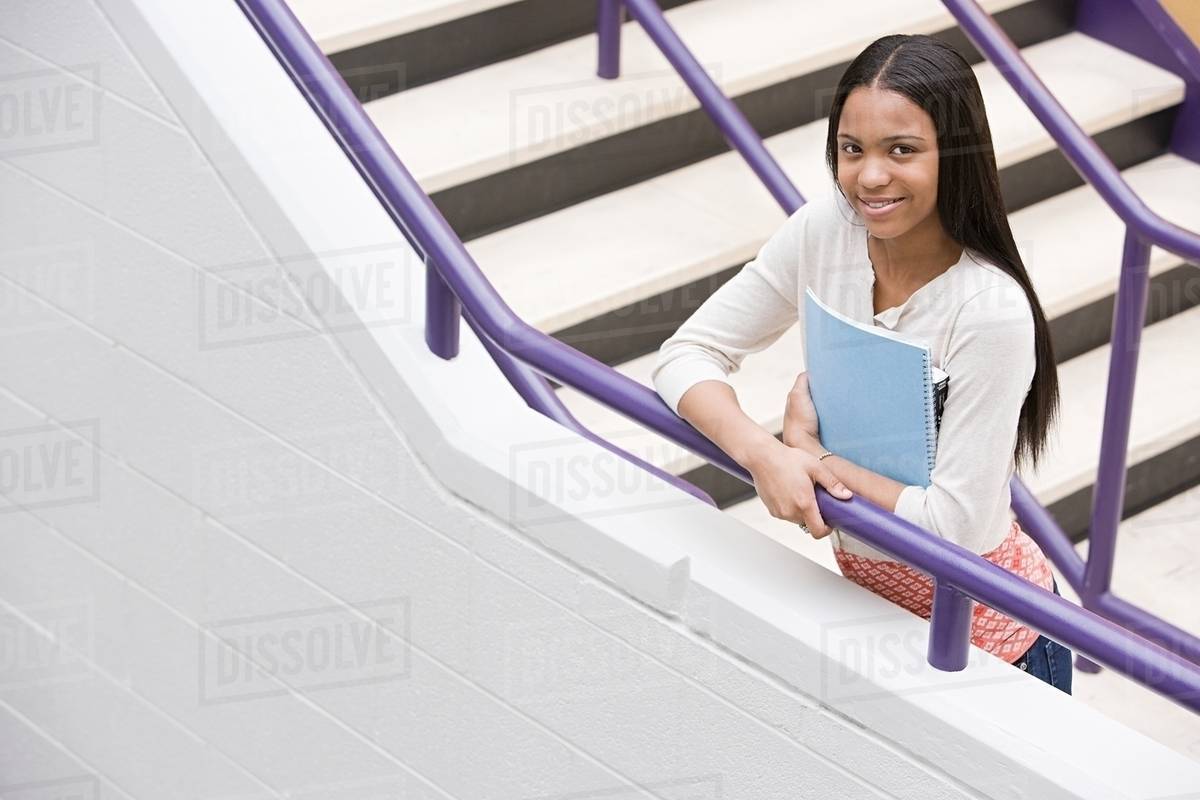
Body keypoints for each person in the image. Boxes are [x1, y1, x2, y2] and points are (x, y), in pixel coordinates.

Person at [650, 34, 1072, 693]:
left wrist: (815, 457)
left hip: (996, 649)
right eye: (853, 150)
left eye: (901, 150)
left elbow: (951, 528)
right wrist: (765, 454)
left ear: (953, 157)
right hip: (875, 617)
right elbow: (686, 354)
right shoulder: (824, 231)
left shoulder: (989, 310)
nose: (869, 176)